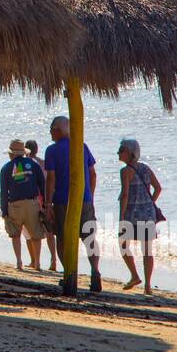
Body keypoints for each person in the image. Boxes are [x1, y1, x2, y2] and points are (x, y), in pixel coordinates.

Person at [44, 116, 103, 292]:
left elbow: (51, 179)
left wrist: (47, 204)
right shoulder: (81, 146)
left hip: (62, 201)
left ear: (57, 130)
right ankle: (95, 271)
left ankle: (69, 273)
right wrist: (90, 196)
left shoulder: (52, 150)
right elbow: (93, 174)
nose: (50, 133)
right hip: (84, 199)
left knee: (62, 238)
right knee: (89, 238)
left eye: (51, 130)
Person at [117, 138, 163, 295]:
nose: (118, 152)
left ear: (130, 153)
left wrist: (121, 217)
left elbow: (125, 195)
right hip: (148, 215)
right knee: (147, 251)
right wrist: (149, 204)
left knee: (123, 246)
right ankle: (148, 286)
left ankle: (135, 276)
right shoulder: (145, 168)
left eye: (121, 150)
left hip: (132, 215)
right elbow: (158, 188)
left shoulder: (125, 171)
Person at [0, 139, 47, 270]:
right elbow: (42, 184)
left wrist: (4, 210)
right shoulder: (33, 164)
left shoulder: (6, 168)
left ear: (12, 154)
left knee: (15, 234)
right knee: (36, 235)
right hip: (32, 203)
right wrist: (45, 205)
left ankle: (19, 262)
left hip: (15, 205)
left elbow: (4, 191)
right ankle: (37, 263)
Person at [26, 139, 58, 272]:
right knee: (49, 231)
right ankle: (53, 260)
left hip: (34, 198)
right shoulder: (44, 163)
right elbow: (51, 181)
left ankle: (34, 260)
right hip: (46, 198)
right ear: (37, 150)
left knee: (29, 229)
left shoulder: (27, 164)